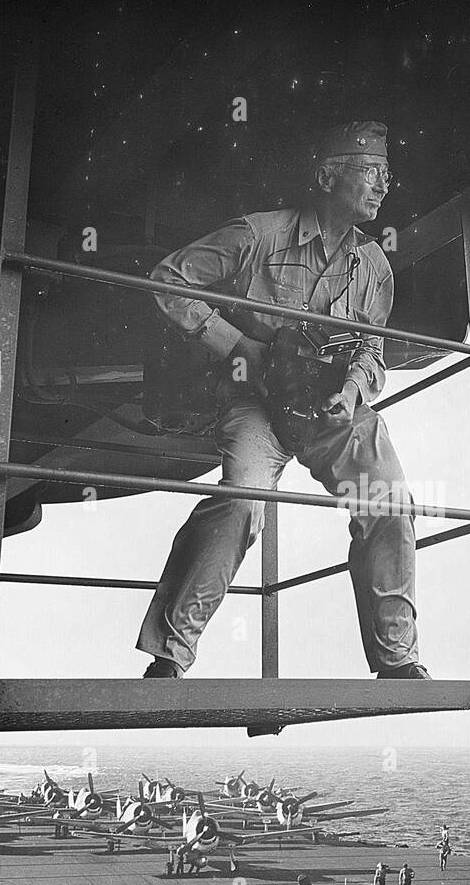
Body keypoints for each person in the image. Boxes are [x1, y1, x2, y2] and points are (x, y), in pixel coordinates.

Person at [137, 120, 429, 685]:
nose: (382, 187)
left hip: (330, 413)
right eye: (371, 173)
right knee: (243, 504)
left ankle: (396, 658)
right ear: (327, 176)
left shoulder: (373, 268)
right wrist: (240, 345)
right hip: (257, 404)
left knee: (389, 501)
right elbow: (169, 279)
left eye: (386, 175)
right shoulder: (258, 235)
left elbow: (371, 348)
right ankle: (170, 654)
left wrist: (351, 394)